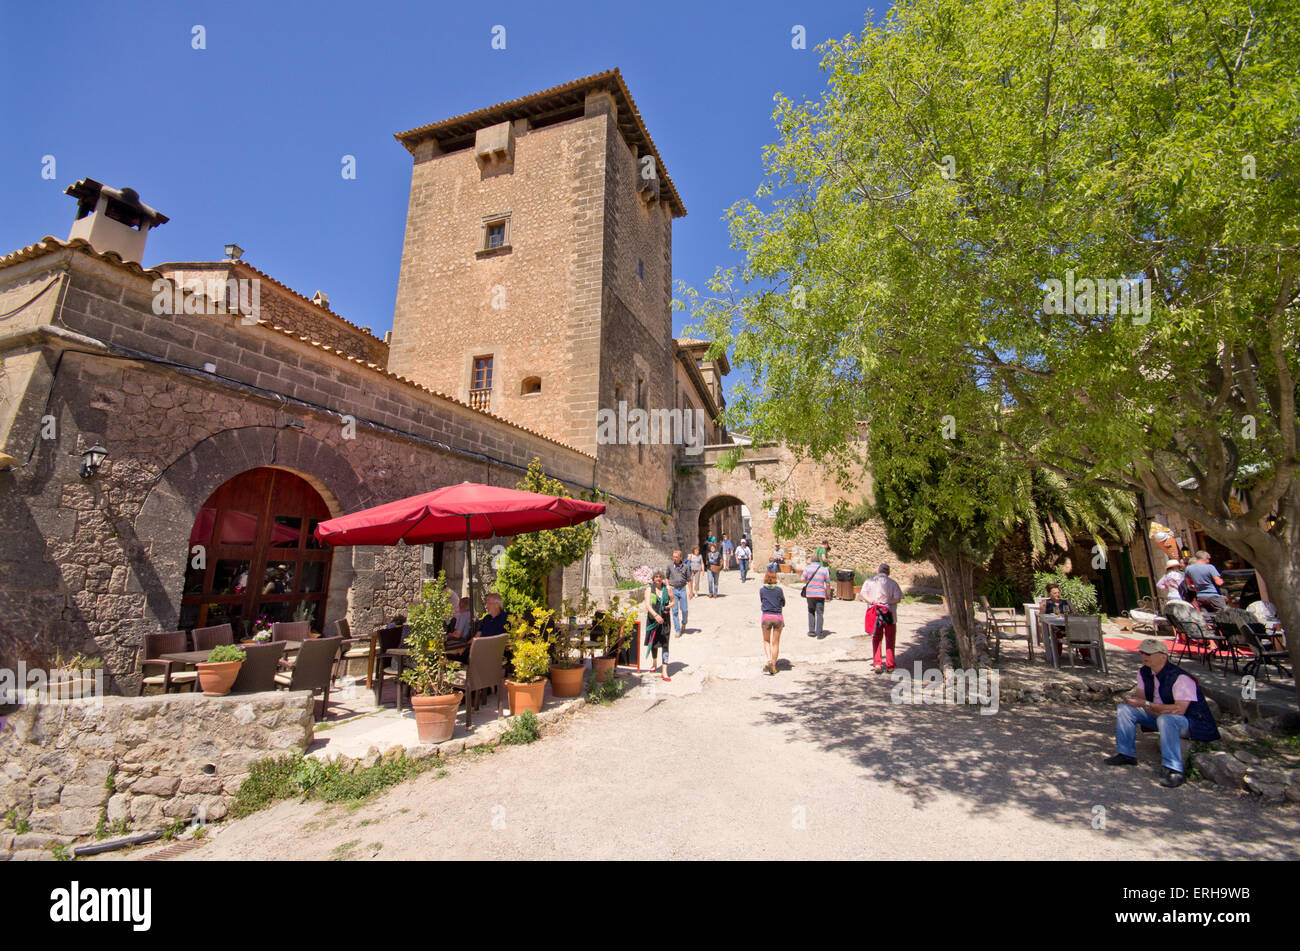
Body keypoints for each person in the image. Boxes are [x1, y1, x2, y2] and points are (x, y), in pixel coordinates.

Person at [1105, 637, 1220, 787]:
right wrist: (1137, 702)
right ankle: (1126, 753)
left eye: (1149, 653)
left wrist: (1147, 704)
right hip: (1160, 715)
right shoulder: (1144, 672)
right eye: (1142, 652)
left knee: (1166, 719)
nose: (1144, 656)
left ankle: (1174, 769)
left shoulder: (1181, 678)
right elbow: (1141, 696)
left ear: (1163, 656)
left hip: (1190, 722)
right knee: (1125, 710)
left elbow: (1179, 710)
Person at [859, 563, 903, 673]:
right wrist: (887, 601)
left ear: (878, 570)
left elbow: (862, 594)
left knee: (876, 638)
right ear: (888, 572)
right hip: (890, 614)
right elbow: (898, 598)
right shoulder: (893, 583)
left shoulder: (869, 581)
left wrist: (871, 601)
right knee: (890, 639)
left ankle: (877, 663)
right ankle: (890, 664)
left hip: (875, 613)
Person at [643, 570, 674, 681]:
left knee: (665, 643)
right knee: (654, 643)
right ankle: (655, 663)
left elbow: (673, 601)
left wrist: (668, 607)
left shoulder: (668, 589)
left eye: (660, 576)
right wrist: (656, 615)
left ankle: (664, 671)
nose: (658, 578)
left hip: (665, 620)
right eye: (656, 577)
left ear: (662, 578)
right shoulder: (648, 590)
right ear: (653, 579)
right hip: (653, 620)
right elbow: (647, 605)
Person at [759, 570, 786, 675]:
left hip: (766, 617)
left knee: (766, 641)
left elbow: (762, 600)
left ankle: (769, 660)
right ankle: (773, 665)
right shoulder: (779, 590)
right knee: (776, 643)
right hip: (778, 617)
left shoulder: (762, 590)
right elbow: (783, 603)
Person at [801, 547, 830, 638]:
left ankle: (811, 631)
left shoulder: (807, 568)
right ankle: (819, 633)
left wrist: (809, 582)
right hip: (820, 594)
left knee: (811, 611)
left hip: (810, 594)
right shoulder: (824, 570)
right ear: (819, 561)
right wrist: (828, 594)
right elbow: (828, 584)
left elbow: (802, 579)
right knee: (820, 613)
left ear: (811, 560)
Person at [665, 550, 692, 634]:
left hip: (682, 589)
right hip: (673, 591)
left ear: (680, 557)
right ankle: (677, 630)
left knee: (684, 610)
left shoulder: (685, 567)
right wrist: (667, 586)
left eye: (676, 557)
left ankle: (684, 623)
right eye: (673, 557)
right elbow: (666, 577)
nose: (674, 558)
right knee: (674, 611)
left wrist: (691, 591)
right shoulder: (670, 566)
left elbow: (689, 580)